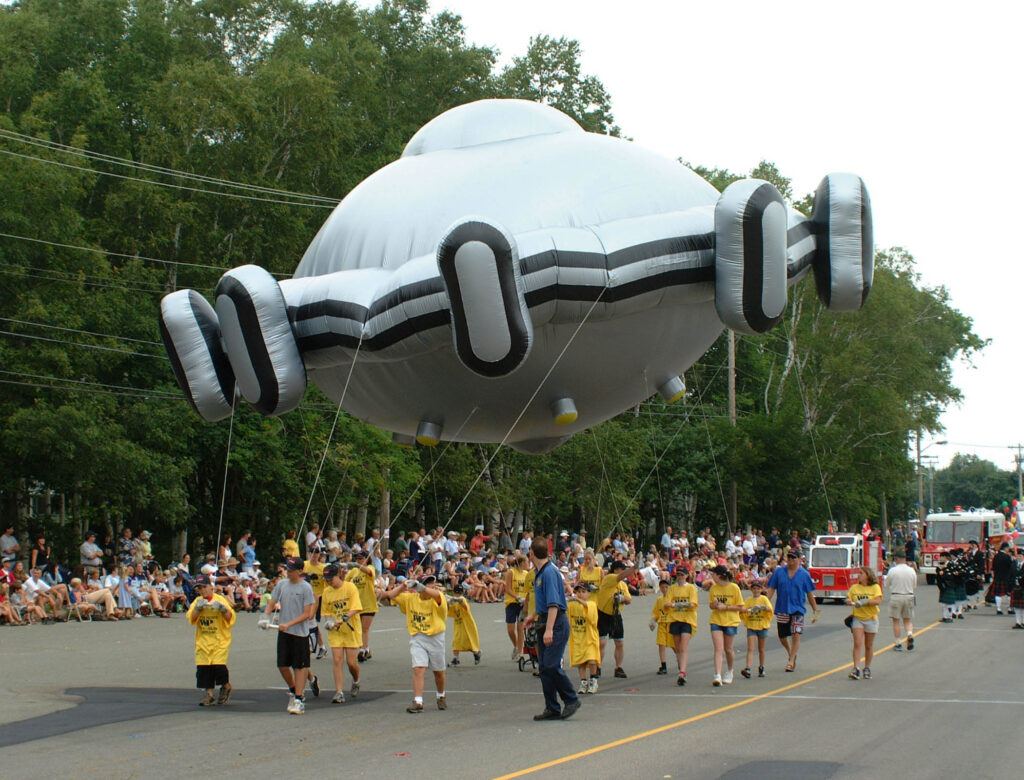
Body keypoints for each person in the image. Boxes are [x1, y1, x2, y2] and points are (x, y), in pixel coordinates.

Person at [524, 537, 579, 720]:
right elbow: (544, 601)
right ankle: (552, 707)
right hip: (544, 620)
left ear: (532, 553)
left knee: (551, 664)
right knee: (544, 668)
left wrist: (549, 630)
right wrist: (532, 616)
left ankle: (571, 699)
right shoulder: (539, 572)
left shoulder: (549, 573)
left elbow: (554, 604)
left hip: (556, 623)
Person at [382, 575, 449, 713]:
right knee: (419, 668)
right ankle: (418, 701)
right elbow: (389, 595)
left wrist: (422, 587)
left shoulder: (438, 597)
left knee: (438, 671)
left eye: (433, 584)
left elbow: (437, 594)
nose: (432, 586)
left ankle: (441, 695)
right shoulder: (410, 598)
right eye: (428, 584)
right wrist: (403, 586)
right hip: (418, 637)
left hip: (436, 637)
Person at [261, 557, 319, 715]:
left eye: (292, 570)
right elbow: (272, 601)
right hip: (284, 632)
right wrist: (265, 616)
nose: (288, 572)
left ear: (300, 571)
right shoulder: (281, 584)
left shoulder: (305, 588)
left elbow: (307, 614)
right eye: (287, 569)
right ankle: (293, 690)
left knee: (299, 667)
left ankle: (299, 699)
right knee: (282, 665)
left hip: (299, 633)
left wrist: (289, 624)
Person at [765, 550, 820, 672]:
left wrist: (815, 609)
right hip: (783, 607)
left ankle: (791, 661)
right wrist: (764, 603)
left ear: (799, 559)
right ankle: (791, 654)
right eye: (788, 557)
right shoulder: (779, 572)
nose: (790, 560)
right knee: (782, 636)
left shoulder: (804, 574)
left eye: (793, 558)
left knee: (796, 633)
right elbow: (771, 589)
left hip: (798, 608)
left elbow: (810, 593)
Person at [187, 574, 237, 706]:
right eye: (199, 588)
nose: (202, 591)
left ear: (211, 587)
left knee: (218, 667)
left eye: (204, 587)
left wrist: (222, 609)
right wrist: (198, 609)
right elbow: (191, 618)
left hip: (219, 639)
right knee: (203, 669)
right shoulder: (198, 601)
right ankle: (209, 695)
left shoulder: (220, 600)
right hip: (203, 640)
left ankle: (225, 685)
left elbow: (230, 618)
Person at [320, 563, 363, 704]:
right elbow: (326, 612)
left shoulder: (350, 587)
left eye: (331, 579)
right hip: (336, 632)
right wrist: (329, 622)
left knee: (352, 663)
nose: (329, 582)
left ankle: (356, 680)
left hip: (351, 629)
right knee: (337, 660)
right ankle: (339, 692)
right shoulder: (327, 592)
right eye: (327, 579)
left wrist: (345, 617)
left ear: (338, 575)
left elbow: (356, 607)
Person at [595, 560, 634, 679]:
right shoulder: (610, 578)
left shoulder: (622, 585)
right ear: (616, 570)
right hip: (603, 613)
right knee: (602, 642)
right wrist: (635, 568)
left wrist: (622, 599)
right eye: (622, 569)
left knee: (620, 642)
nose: (623, 572)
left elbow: (629, 599)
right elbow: (622, 576)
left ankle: (619, 667)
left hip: (616, 615)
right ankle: (597, 667)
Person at [706, 565, 743, 686]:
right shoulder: (713, 589)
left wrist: (726, 607)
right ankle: (717, 674)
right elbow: (711, 605)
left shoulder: (734, 588)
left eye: (714, 574)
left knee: (728, 649)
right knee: (718, 648)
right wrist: (715, 604)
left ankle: (730, 670)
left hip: (730, 621)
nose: (712, 577)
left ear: (720, 576)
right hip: (716, 620)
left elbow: (740, 607)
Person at [845, 566, 883, 680]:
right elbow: (848, 598)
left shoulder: (875, 587)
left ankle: (867, 667)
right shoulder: (854, 588)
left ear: (867, 575)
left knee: (869, 645)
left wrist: (865, 602)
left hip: (871, 618)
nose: (859, 575)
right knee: (857, 643)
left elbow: (878, 600)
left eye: (861, 573)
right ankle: (856, 667)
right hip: (858, 618)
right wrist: (849, 602)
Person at [664, 566, 698, 686]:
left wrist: (676, 605)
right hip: (675, 619)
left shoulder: (691, 588)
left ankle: (682, 672)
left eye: (682, 575)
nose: (680, 577)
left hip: (687, 620)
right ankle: (681, 668)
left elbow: (693, 604)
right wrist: (675, 605)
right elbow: (667, 603)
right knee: (677, 647)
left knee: (683, 646)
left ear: (686, 576)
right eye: (678, 575)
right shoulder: (672, 589)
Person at [345, 550, 379, 662]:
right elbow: (346, 583)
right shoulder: (354, 571)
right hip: (356, 604)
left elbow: (370, 572)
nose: (358, 560)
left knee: (364, 628)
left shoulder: (370, 568)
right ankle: (366, 648)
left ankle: (363, 649)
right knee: (356, 628)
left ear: (366, 559)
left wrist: (358, 565)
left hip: (368, 603)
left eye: (361, 558)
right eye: (357, 559)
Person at [567, 583, 600, 693]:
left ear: (589, 593)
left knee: (591, 660)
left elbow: (593, 618)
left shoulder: (592, 604)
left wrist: (577, 600)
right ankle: (583, 681)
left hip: (589, 637)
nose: (580, 594)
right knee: (580, 662)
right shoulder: (572, 605)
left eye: (583, 592)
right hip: (577, 638)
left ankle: (593, 680)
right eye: (578, 592)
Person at [740, 579, 773, 678]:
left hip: (762, 626)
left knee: (761, 649)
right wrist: (750, 610)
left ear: (761, 589)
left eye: (758, 589)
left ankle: (761, 667)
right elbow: (743, 610)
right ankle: (748, 668)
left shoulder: (764, 599)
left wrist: (762, 607)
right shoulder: (749, 600)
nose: (756, 591)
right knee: (750, 648)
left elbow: (770, 609)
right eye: (754, 589)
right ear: (751, 590)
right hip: (752, 626)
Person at [886, 550, 917, 651]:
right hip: (909, 595)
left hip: (896, 595)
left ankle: (898, 642)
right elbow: (914, 585)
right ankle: (909, 634)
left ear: (897, 559)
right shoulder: (911, 570)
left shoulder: (893, 570)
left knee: (896, 620)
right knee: (907, 619)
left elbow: (887, 584)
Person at [503, 554, 530, 660]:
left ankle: (520, 651)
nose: (527, 564)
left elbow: (528, 589)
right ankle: (516, 645)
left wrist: (526, 600)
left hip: (522, 604)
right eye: (526, 562)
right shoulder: (511, 572)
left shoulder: (526, 574)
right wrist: (517, 597)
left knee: (520, 628)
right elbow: (508, 589)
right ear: (522, 562)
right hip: (511, 603)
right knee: (510, 629)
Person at [303, 549, 327, 659]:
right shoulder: (304, 565)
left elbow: (327, 583)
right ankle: (318, 646)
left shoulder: (322, 568)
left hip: (318, 596)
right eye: (312, 552)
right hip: (305, 596)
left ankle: (321, 646)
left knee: (313, 622)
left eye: (316, 552)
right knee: (308, 621)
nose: (314, 554)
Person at [447, 592, 481, 666]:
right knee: (456, 641)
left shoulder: (463, 599)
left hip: (467, 624)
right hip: (458, 624)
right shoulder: (454, 603)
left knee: (469, 641)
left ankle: (476, 653)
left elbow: (464, 605)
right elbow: (450, 610)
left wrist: (458, 600)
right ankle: (456, 658)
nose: (457, 594)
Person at [650, 579, 673, 675]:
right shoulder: (659, 600)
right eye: (662, 587)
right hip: (662, 624)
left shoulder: (673, 598)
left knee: (674, 645)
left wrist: (671, 605)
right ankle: (663, 665)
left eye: (666, 587)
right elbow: (656, 612)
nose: (664, 589)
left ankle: (681, 661)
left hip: (671, 623)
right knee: (661, 644)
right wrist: (652, 621)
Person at [991, 542, 1014, 615]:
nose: (1008, 550)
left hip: (997, 577)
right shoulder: (1007, 557)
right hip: (1006, 577)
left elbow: (993, 568)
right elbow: (1011, 568)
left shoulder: (996, 556)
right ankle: (1010, 609)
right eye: (1008, 548)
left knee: (998, 594)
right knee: (1009, 594)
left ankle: (998, 609)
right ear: (1005, 548)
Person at [1011, 547, 1024, 629]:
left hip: (1023, 588)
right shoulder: (1013, 564)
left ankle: (1023, 622)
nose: (1019, 557)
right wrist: (1009, 587)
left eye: (1021, 556)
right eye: (1018, 556)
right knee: (1016, 607)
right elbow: (1010, 575)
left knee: (1023, 607)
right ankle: (1018, 622)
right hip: (1015, 588)